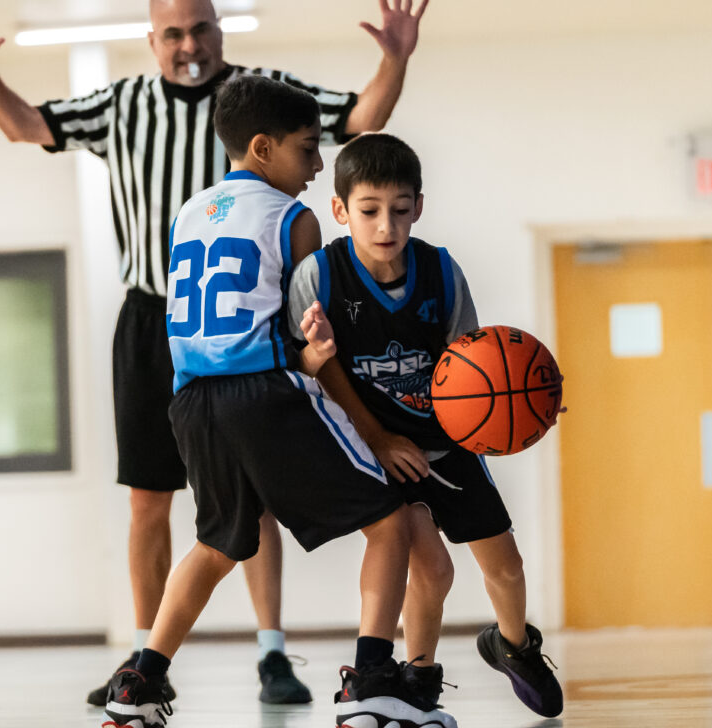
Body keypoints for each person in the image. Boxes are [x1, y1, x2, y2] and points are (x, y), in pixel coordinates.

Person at [0, 0, 430, 704]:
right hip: (227, 352)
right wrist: (369, 421)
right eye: (173, 33)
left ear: (219, 31)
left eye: (201, 28)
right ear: (152, 40)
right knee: (379, 520)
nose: (189, 43)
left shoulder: (208, 182)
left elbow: (359, 115)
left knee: (223, 530)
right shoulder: (269, 195)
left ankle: (165, 668)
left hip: (189, 367)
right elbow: (311, 336)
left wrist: (396, 58)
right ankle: (372, 675)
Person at [101, 75, 455, 728]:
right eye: (307, 148)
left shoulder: (188, 212)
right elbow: (305, 325)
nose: (319, 164)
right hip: (264, 390)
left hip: (190, 401)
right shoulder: (296, 218)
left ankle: (140, 683)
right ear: (262, 148)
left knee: (215, 545)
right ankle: (371, 679)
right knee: (393, 523)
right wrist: (324, 370)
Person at [287, 133, 564, 718]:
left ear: (419, 205)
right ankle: (420, 677)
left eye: (400, 209)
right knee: (432, 571)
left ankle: (513, 646)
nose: (386, 225)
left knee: (507, 571)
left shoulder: (440, 271)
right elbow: (314, 374)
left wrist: (523, 404)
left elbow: (478, 369)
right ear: (340, 211)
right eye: (369, 211)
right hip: (373, 449)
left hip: (446, 441)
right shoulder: (319, 277)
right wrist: (374, 432)